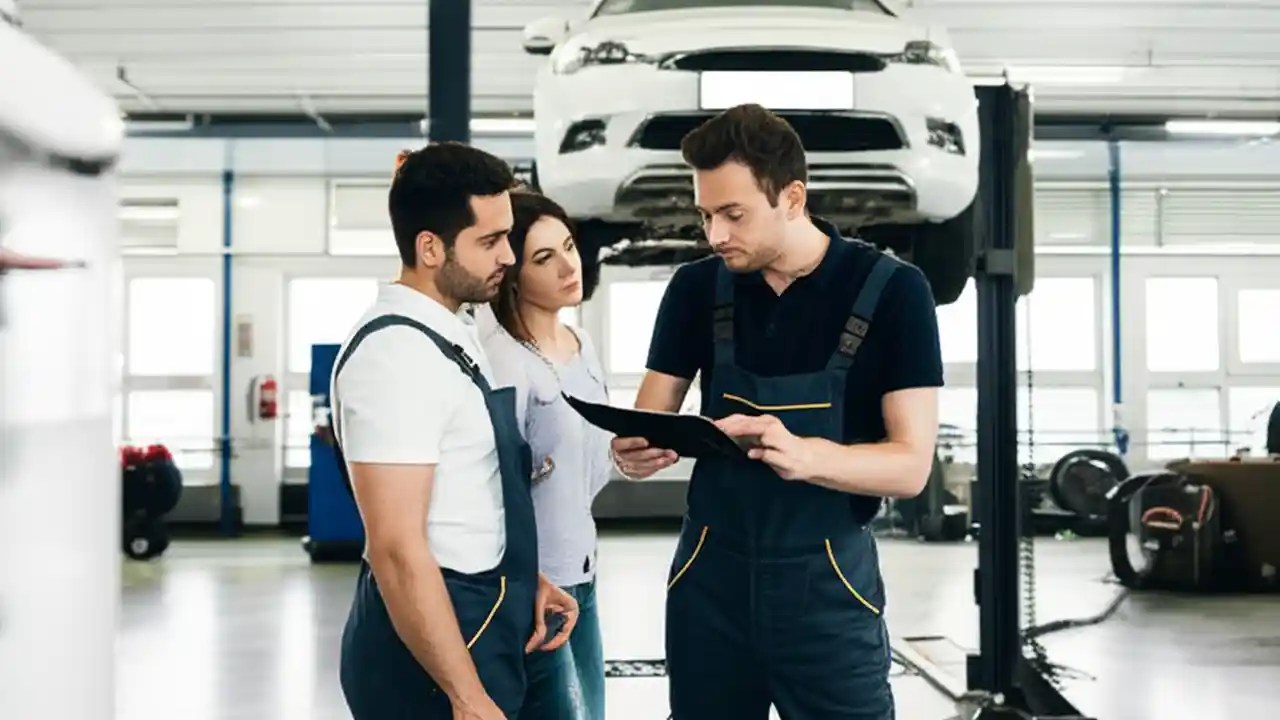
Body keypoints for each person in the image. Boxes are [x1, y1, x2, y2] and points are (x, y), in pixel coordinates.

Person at [611, 104, 943, 719]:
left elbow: (910, 467)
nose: (715, 235)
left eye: (733, 215)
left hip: (828, 586)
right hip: (709, 581)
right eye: (706, 214)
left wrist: (807, 455)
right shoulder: (694, 290)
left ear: (792, 197)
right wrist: (632, 451)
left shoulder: (894, 292)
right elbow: (647, 420)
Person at [331, 143, 580, 720]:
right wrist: (466, 696)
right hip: (431, 655)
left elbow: (466, 497)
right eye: (490, 242)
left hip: (479, 615)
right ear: (429, 247)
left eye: (507, 236)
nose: (510, 256)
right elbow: (396, 549)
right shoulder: (395, 355)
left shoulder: (452, 329)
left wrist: (525, 581)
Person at [478, 191, 612, 720]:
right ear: (512, 273)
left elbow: (586, 459)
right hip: (536, 585)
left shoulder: (581, 344)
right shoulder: (504, 362)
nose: (568, 265)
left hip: (585, 571)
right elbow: (494, 485)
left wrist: (626, 455)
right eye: (543, 258)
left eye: (570, 246)